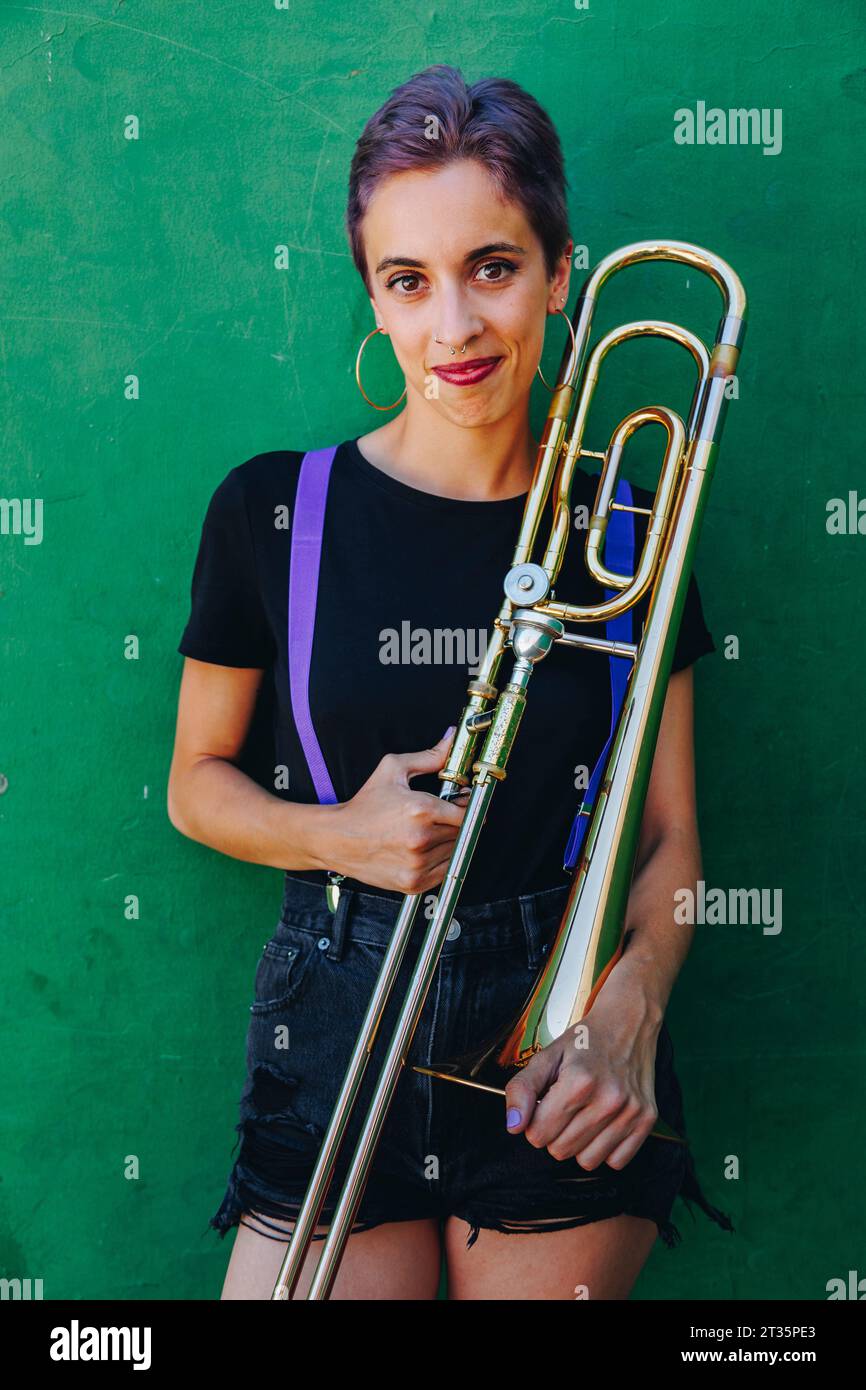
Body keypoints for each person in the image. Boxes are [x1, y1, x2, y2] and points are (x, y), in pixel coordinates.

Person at [168, 63, 733, 1301]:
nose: (454, 329)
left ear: (559, 272)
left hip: (562, 1044)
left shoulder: (627, 521)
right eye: (406, 281)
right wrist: (340, 837)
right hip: (338, 1014)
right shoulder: (275, 509)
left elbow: (673, 836)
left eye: (492, 267)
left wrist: (631, 1006)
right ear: (371, 299)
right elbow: (194, 788)